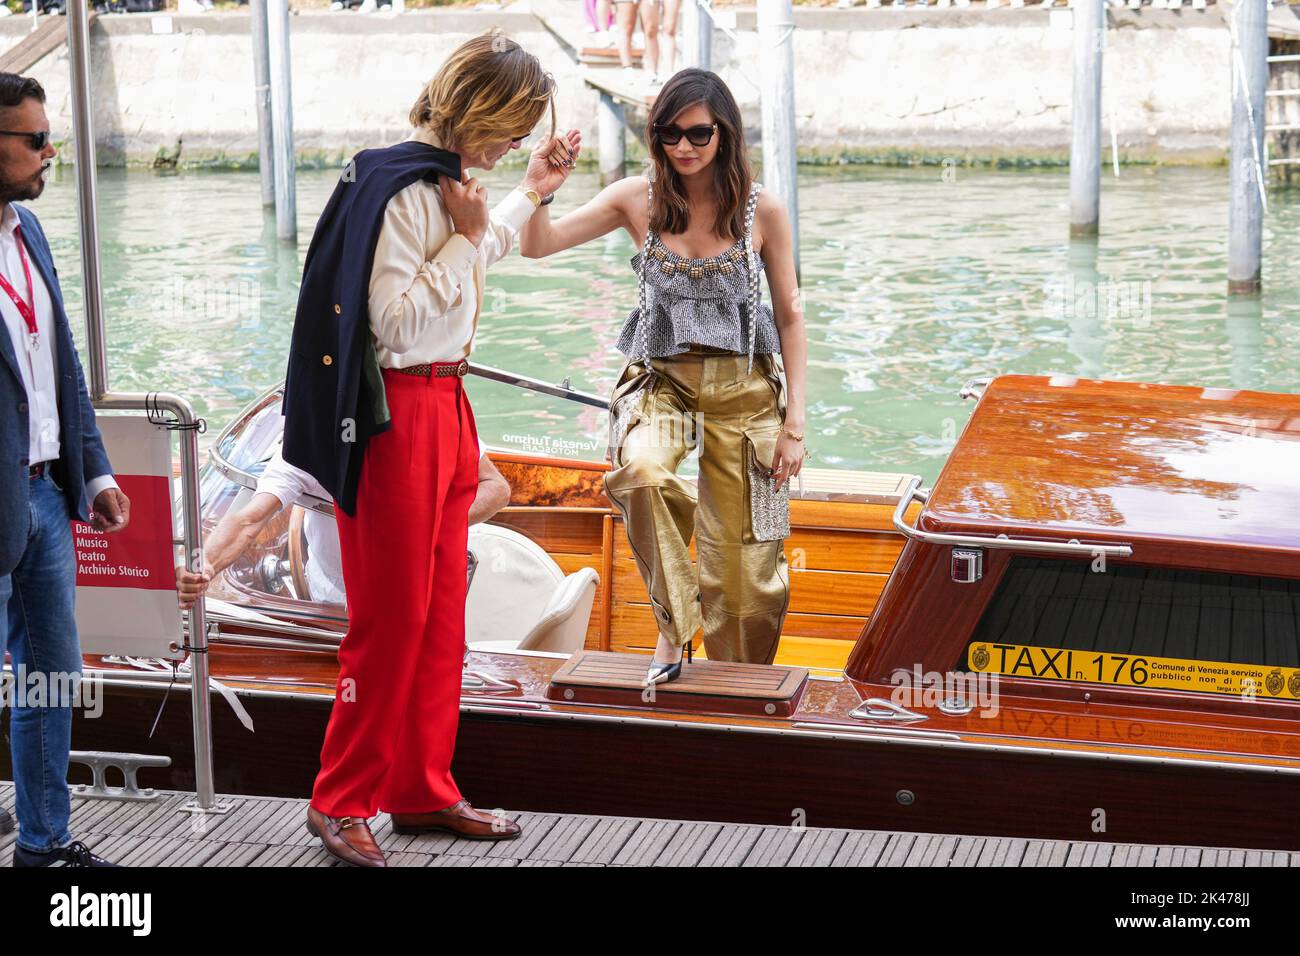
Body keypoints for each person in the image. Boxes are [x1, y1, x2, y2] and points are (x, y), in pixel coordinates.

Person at [281, 33, 581, 868]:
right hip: (400, 418)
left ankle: (420, 787)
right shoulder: (406, 189)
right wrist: (466, 233)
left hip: (445, 405)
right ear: (481, 110)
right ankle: (338, 800)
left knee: (442, 616)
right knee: (390, 621)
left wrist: (525, 196)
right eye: (514, 130)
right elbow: (396, 323)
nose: (516, 144)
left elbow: (475, 249)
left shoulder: (432, 188)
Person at [519, 68, 807, 684]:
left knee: (749, 571)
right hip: (661, 383)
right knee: (644, 474)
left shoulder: (764, 210)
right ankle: (674, 630)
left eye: (698, 134)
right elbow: (537, 246)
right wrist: (541, 191)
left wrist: (796, 423)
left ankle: (739, 693)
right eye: (669, 134)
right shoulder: (637, 197)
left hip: (747, 389)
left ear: (724, 134)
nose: (683, 147)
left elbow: (790, 315)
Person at [0, 73, 131, 867]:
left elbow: (63, 364)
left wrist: (96, 472)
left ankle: (44, 845)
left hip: (45, 494)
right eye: (34, 140)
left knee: (51, 677)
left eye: (50, 137)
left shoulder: (30, 235)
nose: (51, 152)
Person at [173, 442, 510, 609]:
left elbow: (496, 488)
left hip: (421, 594)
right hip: (334, 605)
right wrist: (204, 567)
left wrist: (426, 526)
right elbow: (248, 519)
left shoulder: (425, 417)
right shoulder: (307, 446)